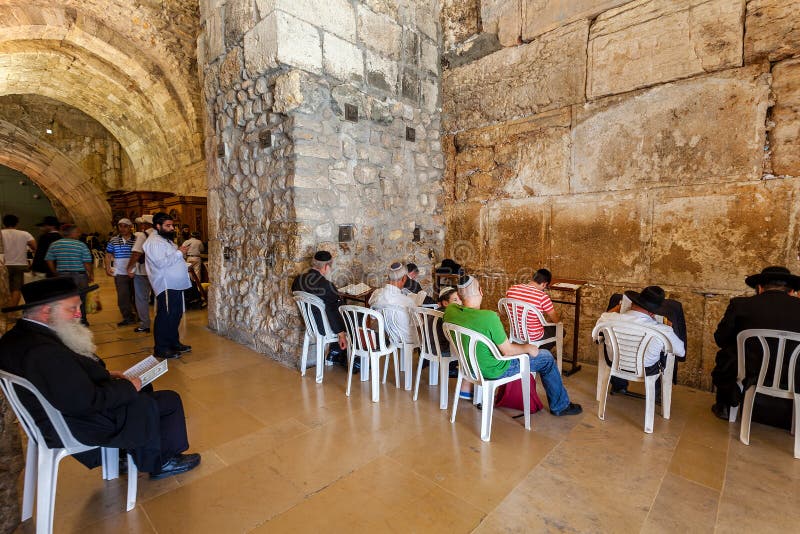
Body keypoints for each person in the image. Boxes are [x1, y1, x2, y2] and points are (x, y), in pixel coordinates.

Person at [0, 277, 200, 479]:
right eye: (72, 308)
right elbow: (86, 401)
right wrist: (128, 387)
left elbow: (62, 378)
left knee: (144, 388)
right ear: (46, 311)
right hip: (78, 424)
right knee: (168, 400)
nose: (79, 314)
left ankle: (127, 454)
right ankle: (161, 462)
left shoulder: (19, 337)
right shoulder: (42, 351)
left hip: (58, 416)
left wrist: (105, 375)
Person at [443, 276, 582, 416]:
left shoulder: (450, 311)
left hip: (469, 367)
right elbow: (508, 351)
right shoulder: (489, 317)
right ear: (481, 291)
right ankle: (561, 406)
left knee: (533, 353)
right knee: (546, 358)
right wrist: (528, 347)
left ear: (459, 296)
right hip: (493, 370)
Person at [710, 266, 800, 423]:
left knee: (728, 355)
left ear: (759, 288)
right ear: (791, 291)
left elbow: (721, 338)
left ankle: (726, 405)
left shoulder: (740, 304)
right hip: (794, 376)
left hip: (750, 373)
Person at [595, 286, 686, 394]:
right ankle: (656, 393)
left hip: (614, 362)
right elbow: (681, 351)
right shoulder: (663, 330)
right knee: (664, 351)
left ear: (633, 303)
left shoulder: (607, 318)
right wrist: (670, 328)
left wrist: (619, 307)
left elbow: (597, 333)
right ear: (653, 313)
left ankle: (618, 385)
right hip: (646, 369)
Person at [143, 212, 192, 359]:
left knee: (175, 314)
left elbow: (172, 260)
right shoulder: (153, 242)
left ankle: (173, 342)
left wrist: (184, 263)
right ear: (158, 226)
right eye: (168, 226)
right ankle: (161, 348)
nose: (172, 228)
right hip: (166, 284)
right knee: (166, 316)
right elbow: (160, 263)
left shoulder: (166, 240)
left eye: (172, 225)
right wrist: (179, 253)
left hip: (175, 284)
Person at [291, 250, 348, 364]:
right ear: (326, 266)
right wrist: (341, 334)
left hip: (310, 325)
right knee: (354, 319)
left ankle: (334, 353)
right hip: (323, 328)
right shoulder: (327, 285)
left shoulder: (298, 280)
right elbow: (334, 311)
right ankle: (351, 358)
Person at [45, 224, 93, 325]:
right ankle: (82, 320)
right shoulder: (81, 245)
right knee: (81, 299)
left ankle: (67, 320)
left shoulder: (55, 244)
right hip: (80, 275)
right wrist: (90, 274)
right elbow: (86, 262)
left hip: (63, 276)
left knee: (64, 299)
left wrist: (54, 272)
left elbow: (49, 260)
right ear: (72, 233)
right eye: (77, 232)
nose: (79, 234)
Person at [506, 268, 560, 348]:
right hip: (534, 337)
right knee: (560, 330)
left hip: (515, 333)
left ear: (533, 278)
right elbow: (556, 321)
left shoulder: (512, 289)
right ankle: (538, 354)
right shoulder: (542, 297)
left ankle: (531, 352)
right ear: (544, 284)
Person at [369, 262, 421, 345]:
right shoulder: (407, 301)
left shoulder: (377, 295)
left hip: (390, 336)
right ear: (404, 278)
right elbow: (418, 323)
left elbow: (372, 316)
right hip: (408, 340)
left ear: (389, 277)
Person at [105, 218, 137, 327]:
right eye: (120, 226)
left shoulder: (136, 239)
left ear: (130, 227)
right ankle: (128, 317)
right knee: (123, 296)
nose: (122, 229)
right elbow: (108, 254)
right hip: (120, 273)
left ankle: (138, 315)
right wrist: (107, 267)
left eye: (125, 226)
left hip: (134, 273)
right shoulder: (113, 240)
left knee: (136, 295)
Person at [1, 214, 36, 307]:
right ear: (17, 223)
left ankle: (3, 311)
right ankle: (11, 312)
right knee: (16, 289)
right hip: (19, 265)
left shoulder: (1, 233)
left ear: (3, 223)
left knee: (3, 289)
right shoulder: (25, 234)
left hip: (3, 265)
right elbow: (35, 247)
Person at [127, 215, 154, 333]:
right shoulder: (161, 234)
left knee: (141, 298)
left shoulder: (143, 235)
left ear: (145, 224)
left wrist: (130, 266)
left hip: (143, 271)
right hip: (158, 272)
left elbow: (136, 253)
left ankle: (145, 324)